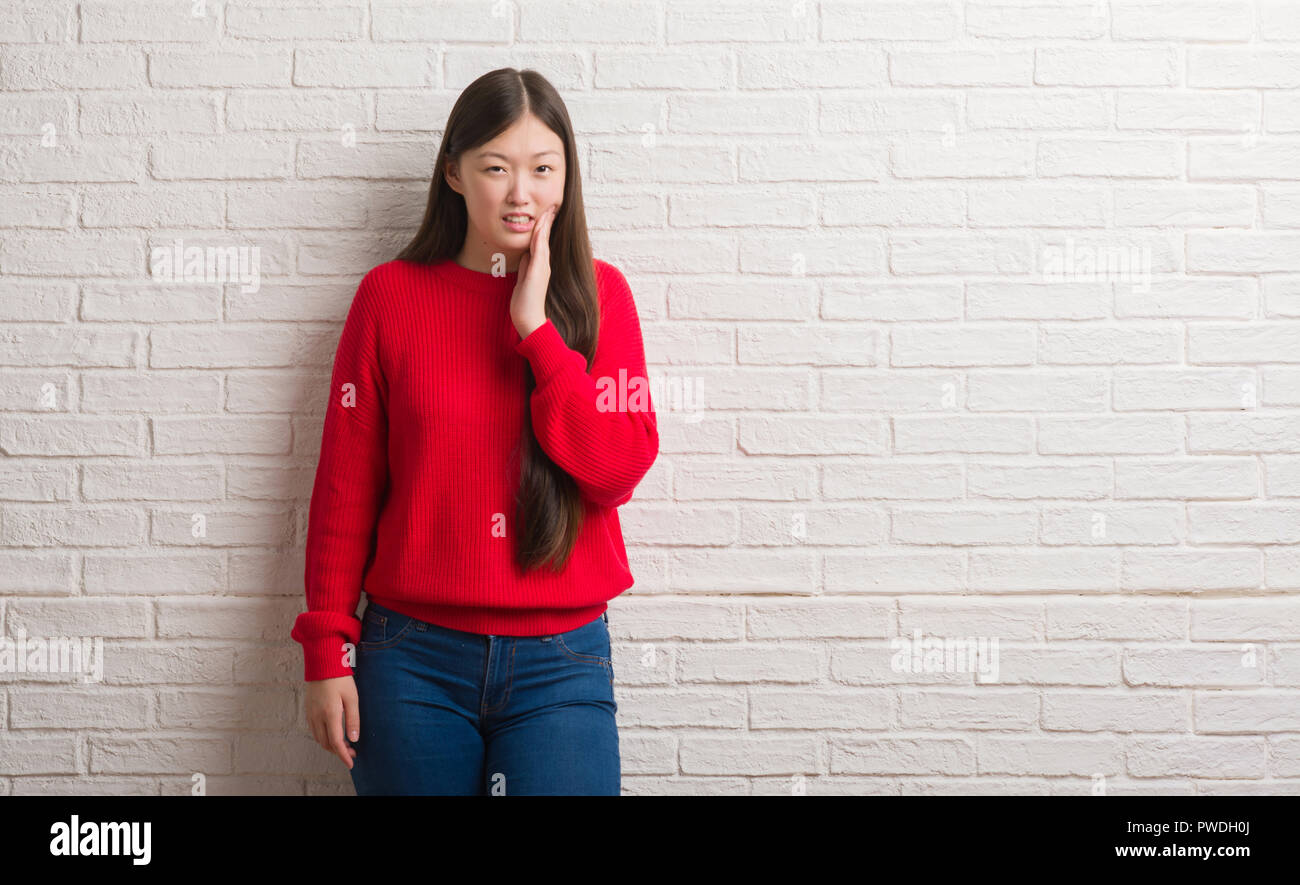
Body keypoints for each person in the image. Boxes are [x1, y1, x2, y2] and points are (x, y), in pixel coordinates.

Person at [290, 68, 658, 795]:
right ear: (454, 173)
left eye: (543, 168)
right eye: (497, 167)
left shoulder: (603, 296)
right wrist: (327, 650)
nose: (522, 193)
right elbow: (344, 486)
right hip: (411, 658)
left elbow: (615, 471)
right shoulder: (390, 297)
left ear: (566, 177)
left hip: (563, 659)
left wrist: (538, 333)